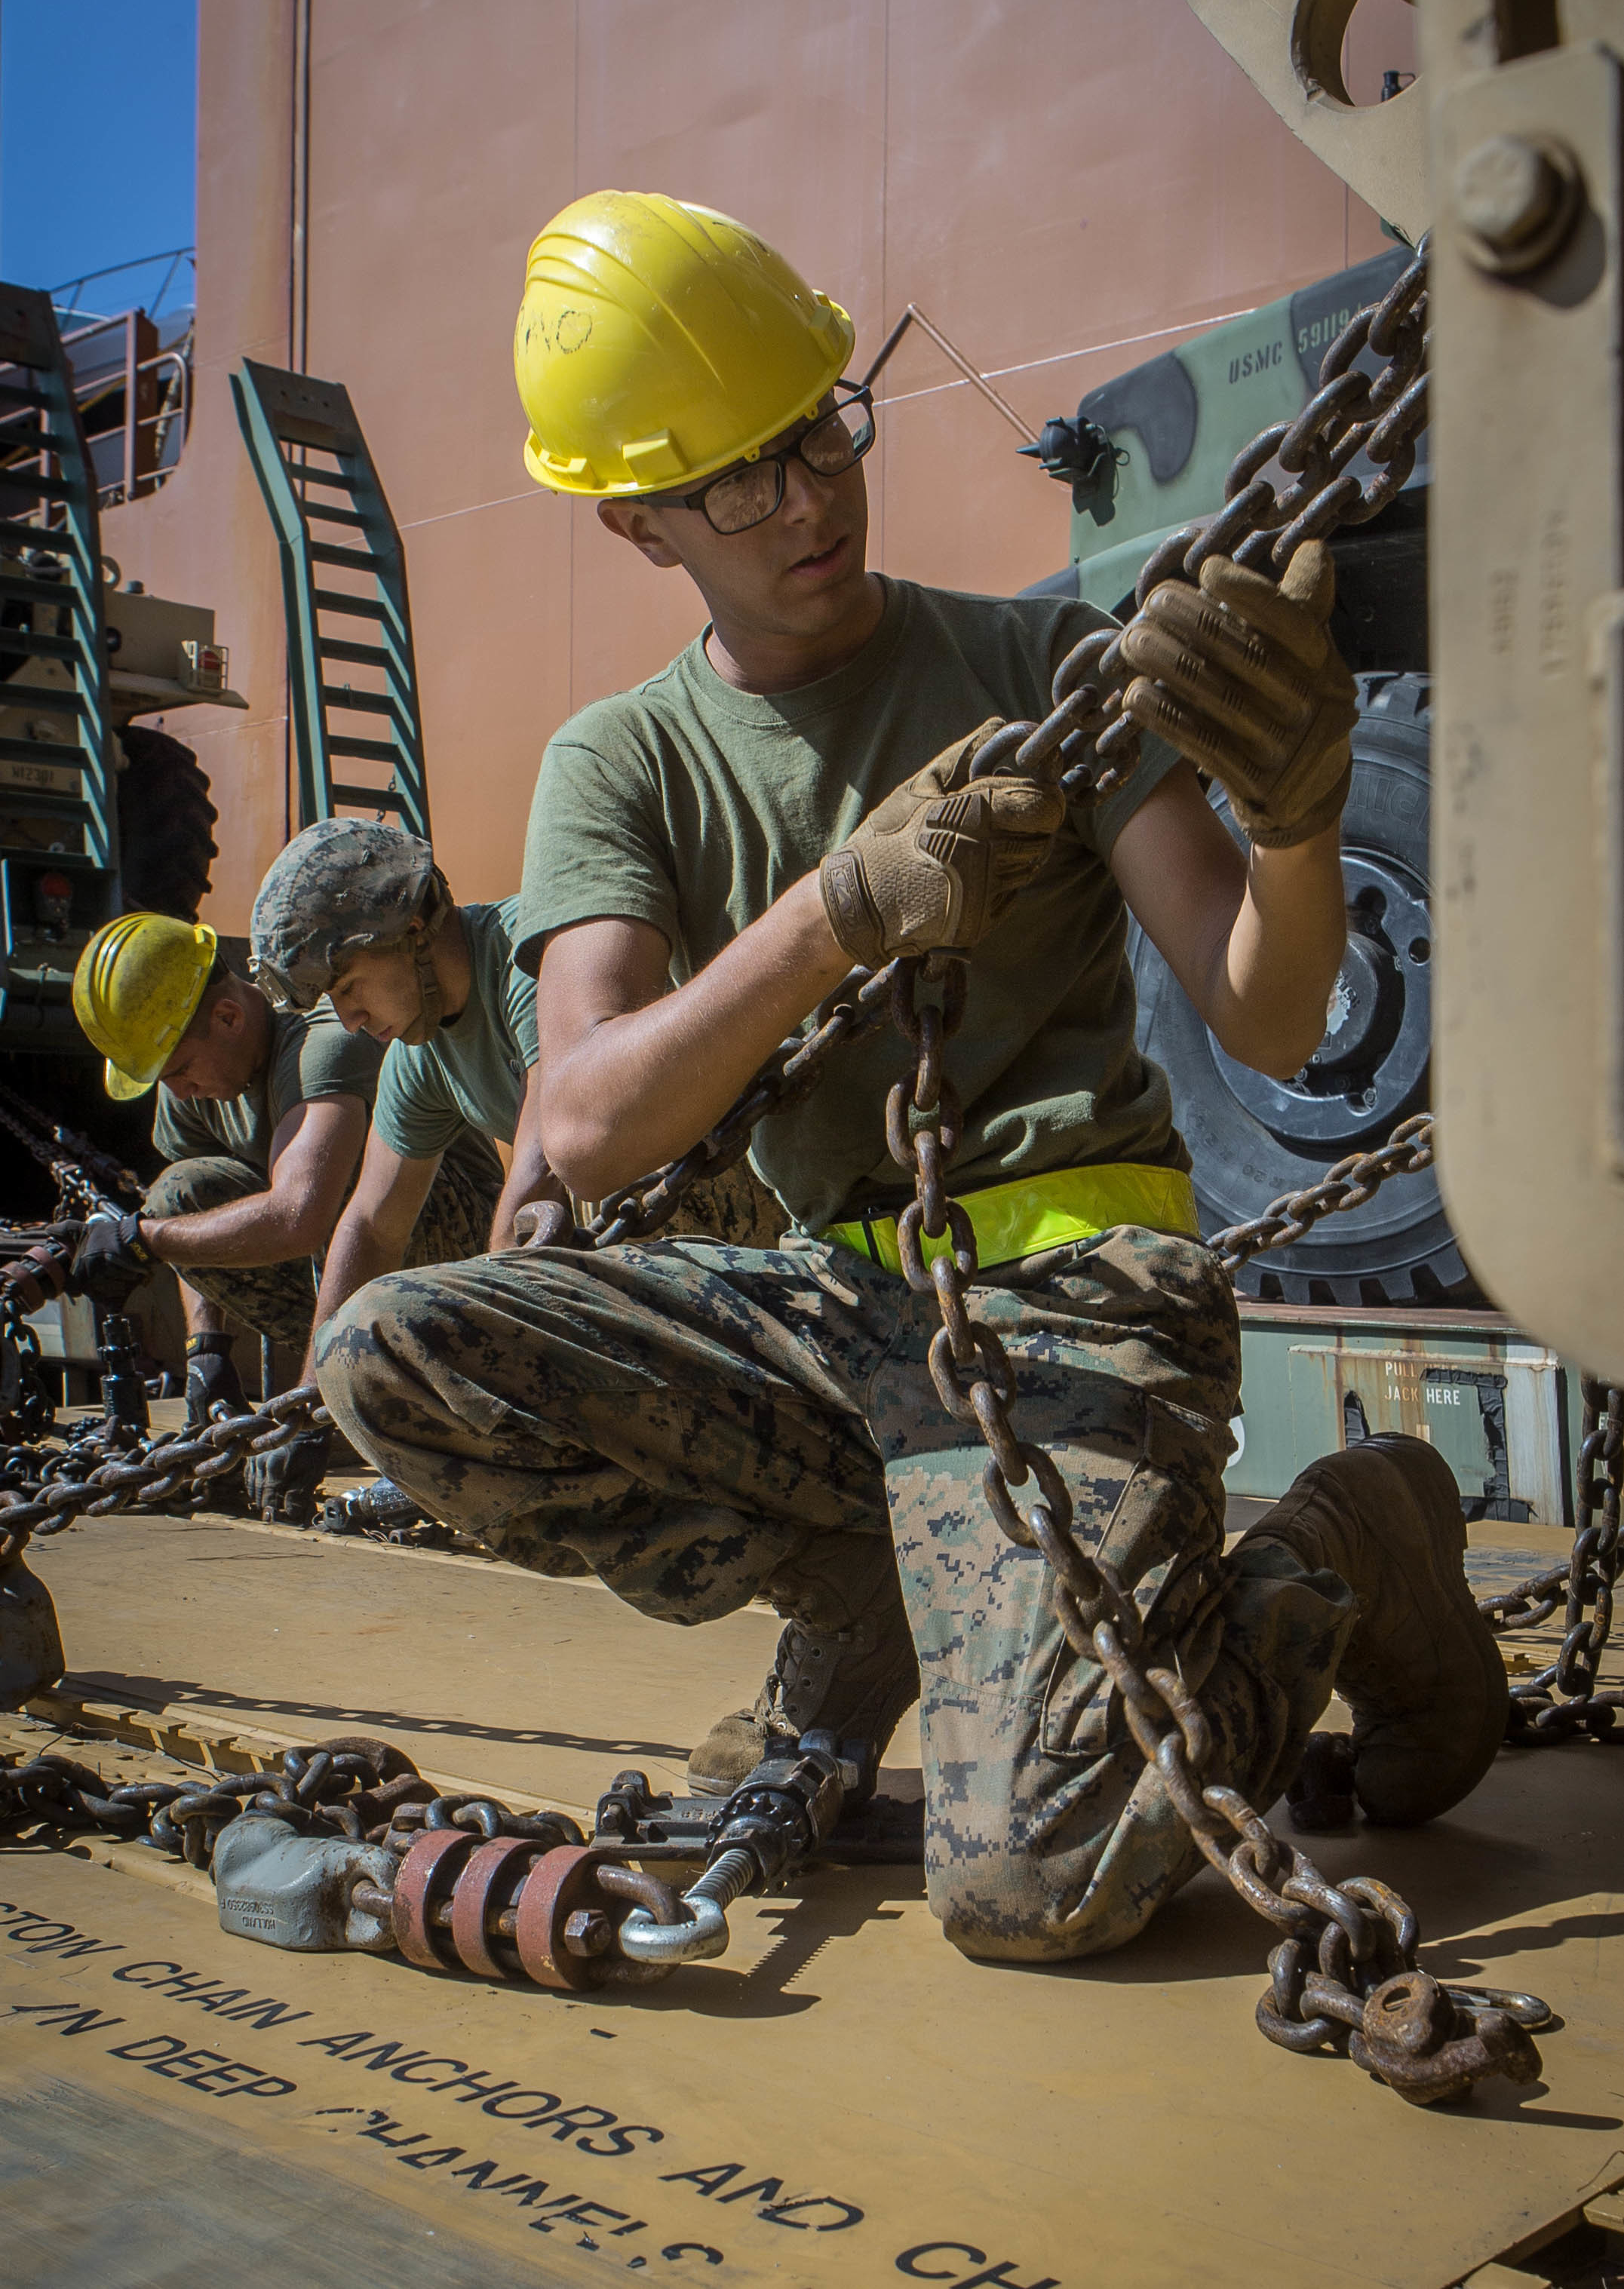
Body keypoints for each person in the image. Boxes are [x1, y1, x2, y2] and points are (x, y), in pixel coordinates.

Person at [315, 194, 1506, 1965]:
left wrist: (1302, 818)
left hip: (1075, 1296)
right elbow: (580, 1116)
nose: (805, 496)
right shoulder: (622, 763)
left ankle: (1351, 1540)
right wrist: (837, 909)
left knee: (1031, 1887)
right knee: (391, 1356)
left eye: (813, 429)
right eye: (732, 477)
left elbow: (1265, 1019)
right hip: (826, 1320)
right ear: (634, 521)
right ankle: (865, 1580)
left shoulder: (1036, 670)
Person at [71, 909, 502, 1514]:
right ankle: (342, 1374)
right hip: (339, 1264)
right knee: (178, 1193)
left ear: (228, 1017)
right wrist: (207, 1351)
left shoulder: (322, 1042)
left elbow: (303, 1213)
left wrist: (305, 1406)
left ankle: (347, 1386)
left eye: (179, 1071)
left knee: (330, 1170)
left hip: (450, 1250)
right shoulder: (195, 1082)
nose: (177, 1091)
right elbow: (189, 1214)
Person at [247, 818, 563, 1373]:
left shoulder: (533, 953)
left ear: (413, 927)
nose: (348, 1021)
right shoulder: (420, 1055)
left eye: (348, 987)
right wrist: (314, 1399)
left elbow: (546, 1159)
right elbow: (371, 1226)